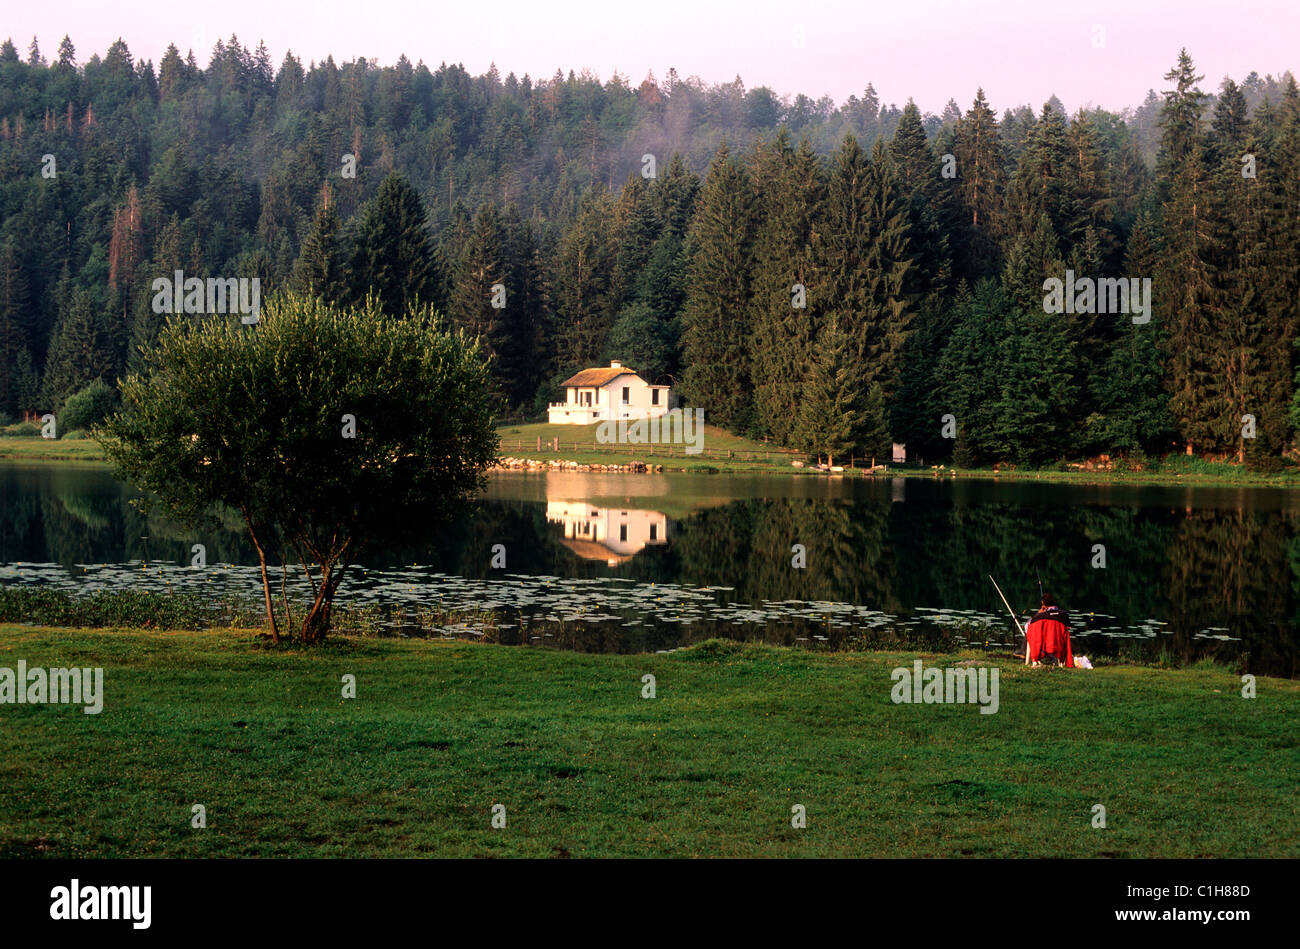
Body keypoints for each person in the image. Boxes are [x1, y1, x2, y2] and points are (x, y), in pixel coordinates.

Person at [1025, 594, 1074, 668]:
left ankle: (1031, 656)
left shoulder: (1039, 616)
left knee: (1030, 633)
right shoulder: (1064, 614)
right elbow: (1068, 628)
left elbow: (1028, 627)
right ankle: (1060, 662)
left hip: (1041, 642)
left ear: (1042, 603)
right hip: (1058, 642)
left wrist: (1040, 612)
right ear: (1054, 602)